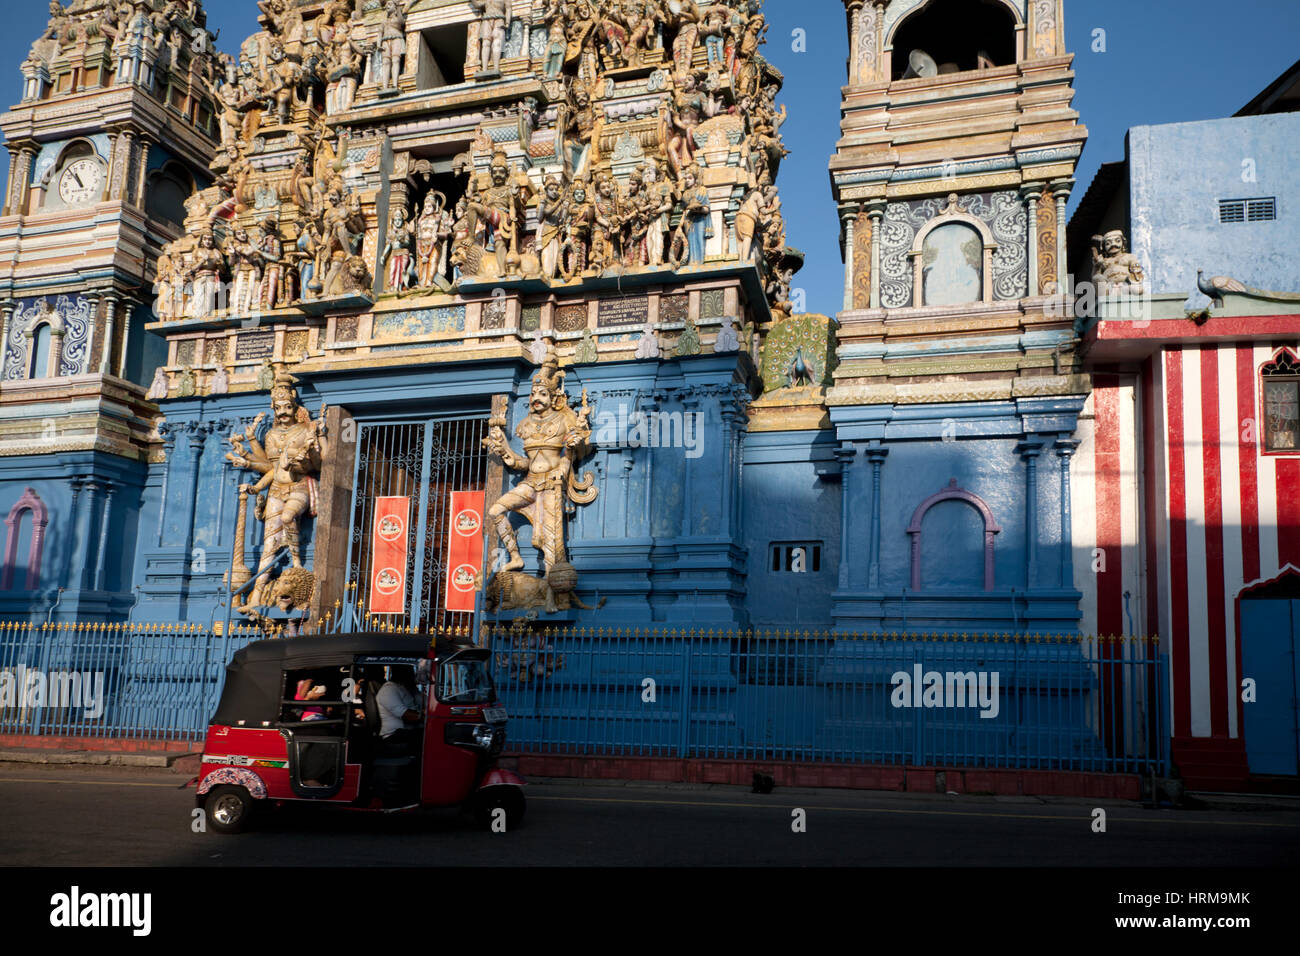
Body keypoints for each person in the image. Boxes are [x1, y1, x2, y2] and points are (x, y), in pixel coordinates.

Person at [376, 669, 423, 750]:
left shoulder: (406, 687)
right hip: (393, 734)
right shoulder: (389, 690)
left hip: (407, 731)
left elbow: (426, 704)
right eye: (410, 672)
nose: (414, 675)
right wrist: (428, 717)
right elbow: (407, 716)